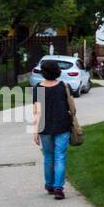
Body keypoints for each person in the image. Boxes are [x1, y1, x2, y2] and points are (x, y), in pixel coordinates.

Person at [32, 59, 75, 199]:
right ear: (57, 71)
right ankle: (58, 188)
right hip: (62, 125)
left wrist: (35, 130)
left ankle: (49, 184)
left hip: (44, 127)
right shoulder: (63, 86)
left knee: (48, 157)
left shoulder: (38, 88)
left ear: (43, 73)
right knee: (60, 157)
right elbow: (71, 108)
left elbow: (37, 112)